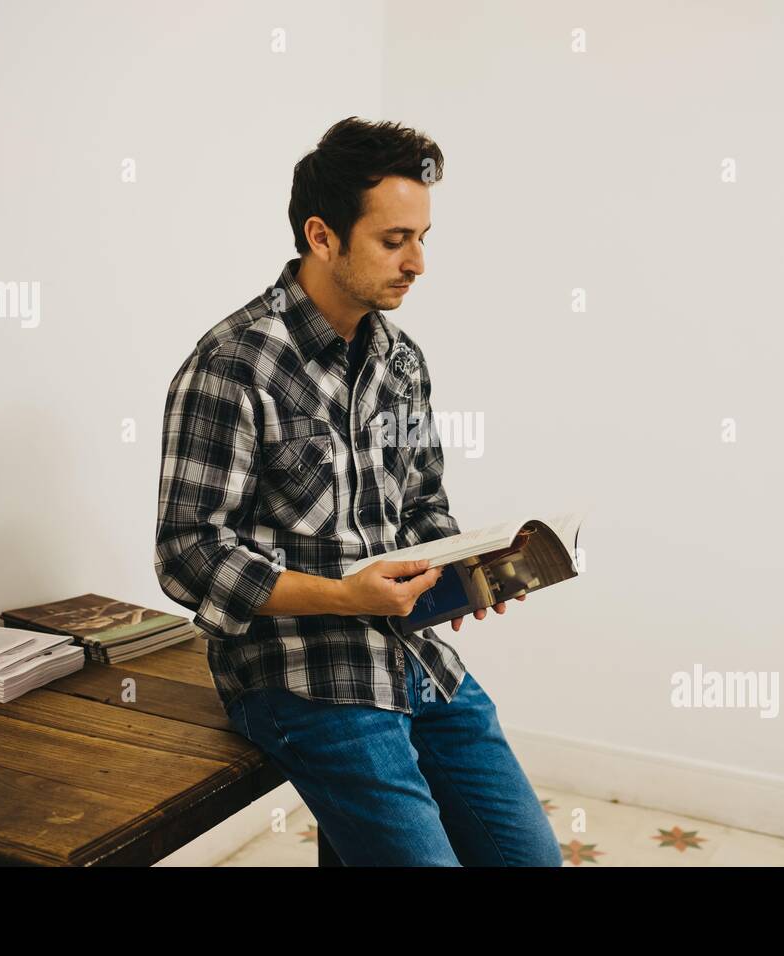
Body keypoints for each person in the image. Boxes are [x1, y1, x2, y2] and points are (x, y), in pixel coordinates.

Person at [154, 116, 561, 867]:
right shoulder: (232, 364)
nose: (418, 264)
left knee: (532, 860)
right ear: (322, 236)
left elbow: (422, 507)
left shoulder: (401, 362)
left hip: (412, 652)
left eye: (424, 238)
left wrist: (470, 573)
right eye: (394, 239)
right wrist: (347, 598)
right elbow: (188, 553)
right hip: (298, 675)